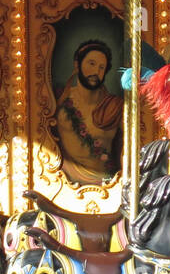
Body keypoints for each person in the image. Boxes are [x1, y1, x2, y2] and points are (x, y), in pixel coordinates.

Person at [52, 39, 123, 184]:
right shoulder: (59, 100)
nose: (96, 72)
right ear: (77, 65)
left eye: (101, 67)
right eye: (91, 64)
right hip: (63, 184)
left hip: (107, 184)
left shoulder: (113, 106)